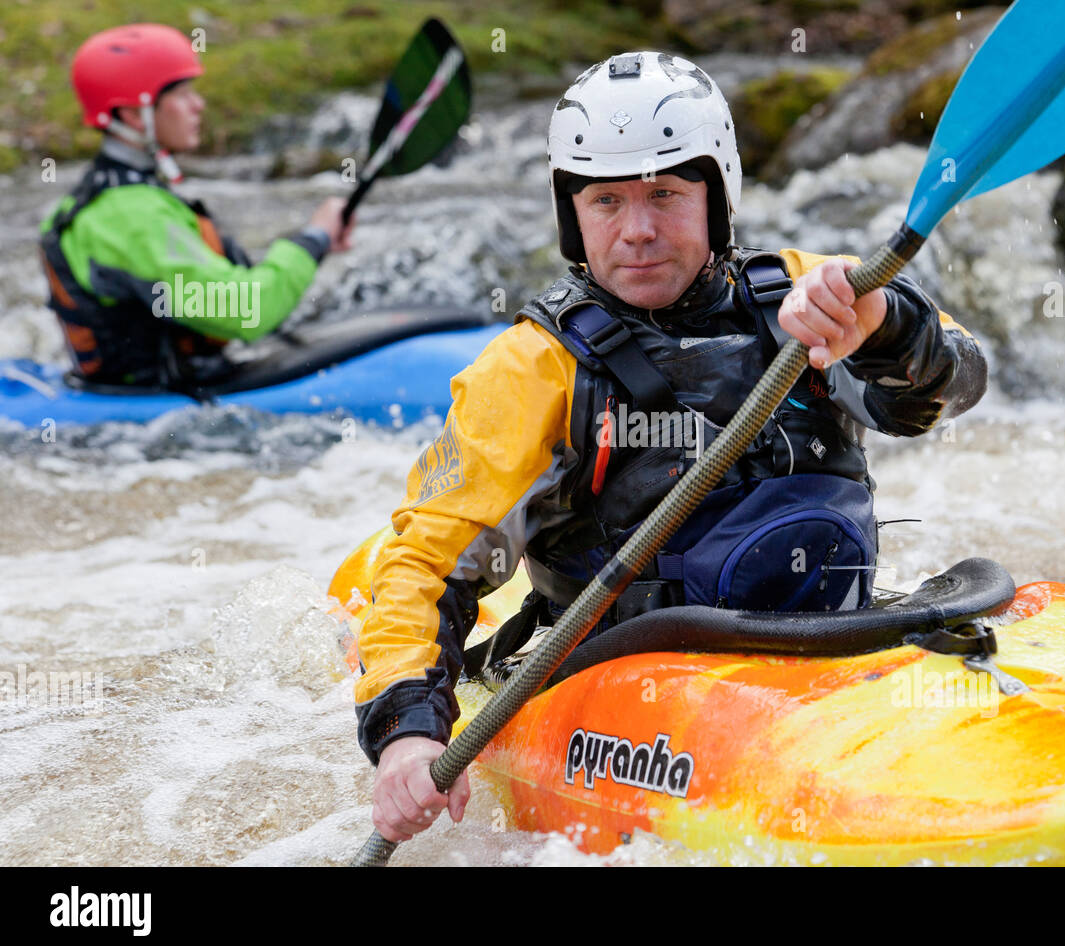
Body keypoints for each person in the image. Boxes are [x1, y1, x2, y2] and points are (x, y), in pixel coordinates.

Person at [353, 52, 988, 842]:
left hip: (832, 651)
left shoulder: (808, 295)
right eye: (606, 201)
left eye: (665, 194)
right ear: (571, 214)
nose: (639, 230)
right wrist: (408, 733)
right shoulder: (533, 369)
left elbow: (950, 389)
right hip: (633, 692)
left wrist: (887, 321)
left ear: (717, 197)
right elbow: (426, 566)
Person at [39, 23, 353, 388]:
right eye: (182, 94)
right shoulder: (132, 216)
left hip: (154, 392)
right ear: (131, 114)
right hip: (159, 408)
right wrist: (314, 238)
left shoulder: (107, 198)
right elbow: (247, 311)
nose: (199, 105)